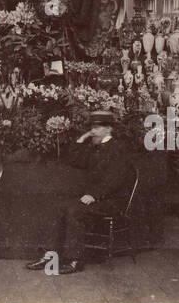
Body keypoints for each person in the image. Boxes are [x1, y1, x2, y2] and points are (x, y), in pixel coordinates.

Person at [26, 109, 137, 275]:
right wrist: (81, 139)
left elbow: (116, 179)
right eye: (92, 127)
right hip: (97, 198)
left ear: (109, 129)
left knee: (74, 211)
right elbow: (73, 160)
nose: (93, 130)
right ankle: (50, 256)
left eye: (98, 127)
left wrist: (94, 195)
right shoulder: (94, 147)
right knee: (58, 207)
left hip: (113, 200)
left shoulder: (118, 148)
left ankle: (74, 260)